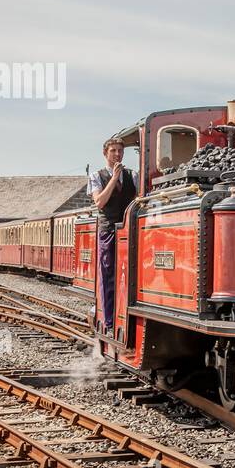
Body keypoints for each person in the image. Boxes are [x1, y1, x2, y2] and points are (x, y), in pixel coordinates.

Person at [89, 138, 138, 332]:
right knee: (108, 274)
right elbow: (99, 202)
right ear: (105, 153)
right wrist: (113, 178)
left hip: (127, 229)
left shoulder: (132, 176)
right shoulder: (96, 176)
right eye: (113, 151)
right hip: (108, 229)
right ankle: (108, 321)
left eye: (120, 151)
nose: (117, 154)